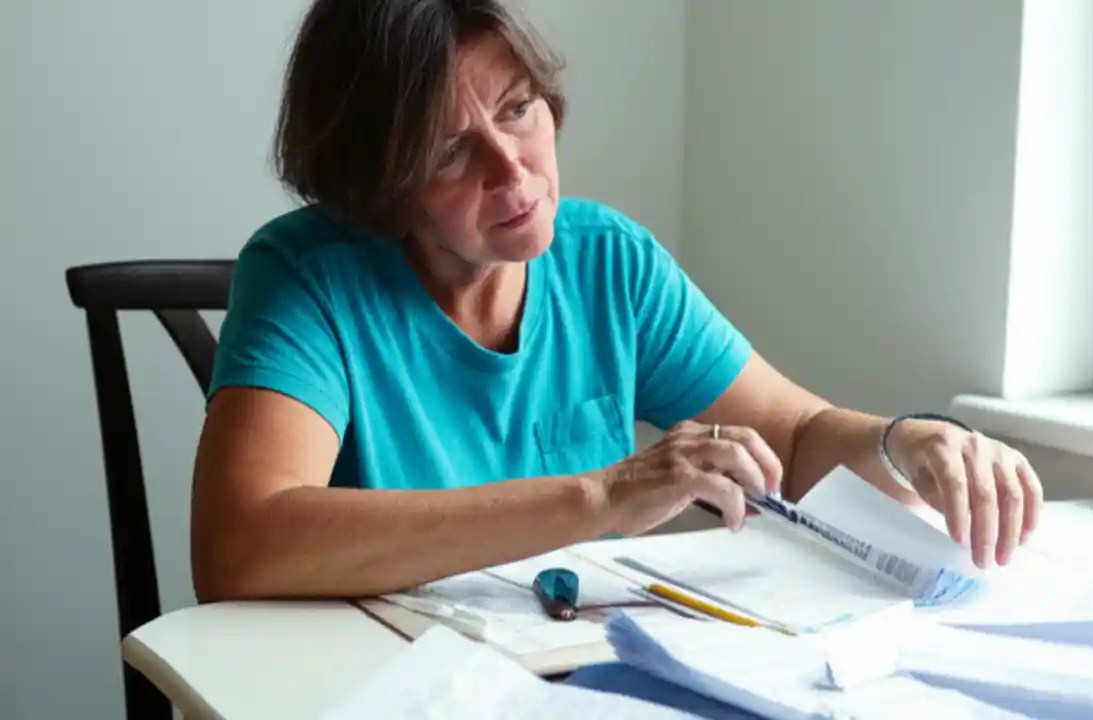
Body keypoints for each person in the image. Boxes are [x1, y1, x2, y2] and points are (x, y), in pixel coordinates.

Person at [191, 0, 1043, 605]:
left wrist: (905, 442)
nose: (513, 169)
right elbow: (241, 545)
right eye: (449, 153)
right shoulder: (307, 276)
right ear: (378, 187)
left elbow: (794, 440)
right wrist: (604, 496)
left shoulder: (608, 262)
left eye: (518, 109)